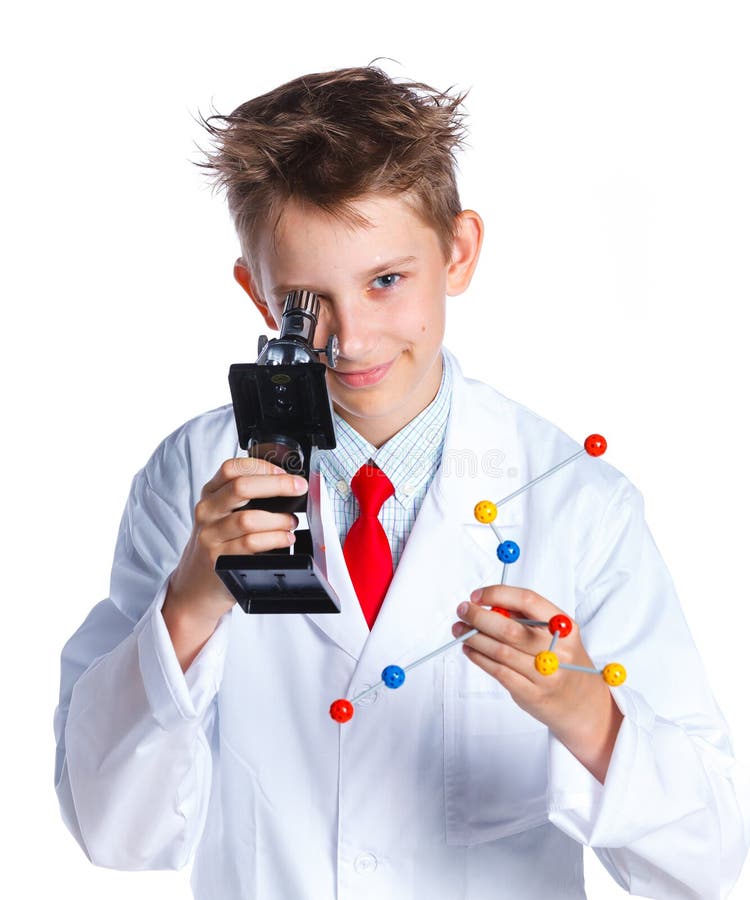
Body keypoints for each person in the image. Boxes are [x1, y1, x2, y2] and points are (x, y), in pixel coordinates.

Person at [54, 65, 749, 899]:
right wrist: (192, 602)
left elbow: (710, 861)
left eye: (387, 280)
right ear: (257, 291)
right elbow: (110, 828)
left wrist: (586, 713)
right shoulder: (192, 479)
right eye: (308, 300)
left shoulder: (577, 503)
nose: (351, 339)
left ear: (458, 252)